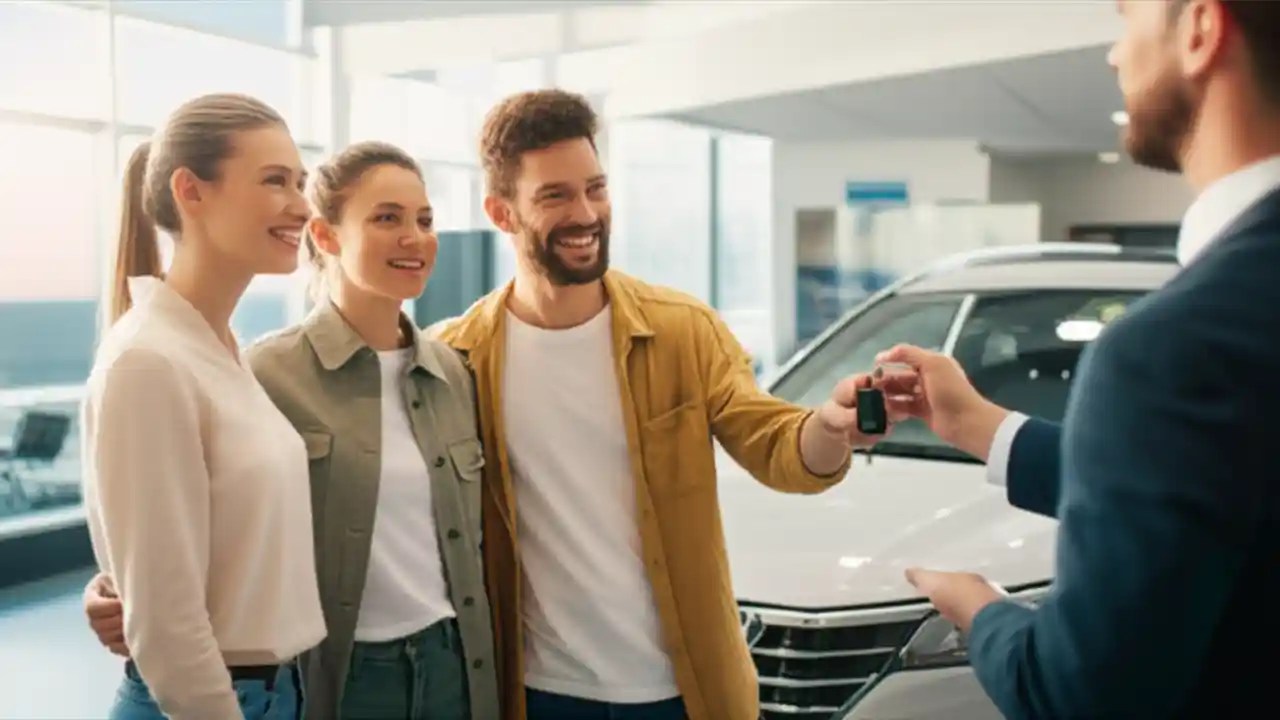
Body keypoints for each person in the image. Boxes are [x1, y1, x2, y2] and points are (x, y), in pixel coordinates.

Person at [876, 1, 1280, 718]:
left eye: (1128, 19)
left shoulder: (1172, 348)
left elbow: (1075, 696)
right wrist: (984, 427)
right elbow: (1222, 480)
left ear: (1199, 29)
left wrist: (979, 606)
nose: (1114, 55)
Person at [430, 89, 888, 720]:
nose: (586, 212)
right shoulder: (458, 358)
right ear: (502, 213)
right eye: (555, 195)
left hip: (682, 691)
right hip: (535, 693)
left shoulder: (681, 330)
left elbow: (775, 445)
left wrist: (831, 427)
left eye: (596, 187)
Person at [84, 142, 500, 719]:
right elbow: (189, 517)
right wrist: (113, 586)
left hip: (453, 663)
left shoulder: (455, 372)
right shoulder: (262, 373)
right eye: (387, 218)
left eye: (425, 220)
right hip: (335, 674)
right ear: (326, 237)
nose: (415, 237)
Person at [81, 93, 325, 719]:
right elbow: (167, 628)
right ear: (191, 191)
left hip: (272, 692)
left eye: (300, 182)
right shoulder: (150, 360)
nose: (301, 204)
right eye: (275, 181)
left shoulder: (217, 348)